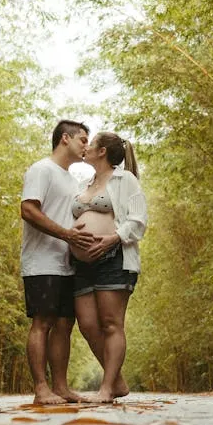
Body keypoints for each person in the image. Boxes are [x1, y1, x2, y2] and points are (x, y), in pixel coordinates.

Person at [20, 120, 96, 405]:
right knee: (43, 322)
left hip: (67, 262)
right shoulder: (42, 170)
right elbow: (28, 209)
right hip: (41, 261)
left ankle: (61, 387)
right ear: (65, 139)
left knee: (65, 324)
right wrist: (66, 235)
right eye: (83, 140)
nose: (86, 146)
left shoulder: (71, 180)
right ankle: (41, 388)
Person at [70, 132, 147, 403]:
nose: (86, 148)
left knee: (112, 324)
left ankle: (106, 389)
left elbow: (139, 221)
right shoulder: (83, 182)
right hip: (81, 263)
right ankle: (118, 381)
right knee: (88, 325)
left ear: (102, 152)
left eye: (90, 145)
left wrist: (112, 238)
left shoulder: (125, 179)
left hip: (114, 258)